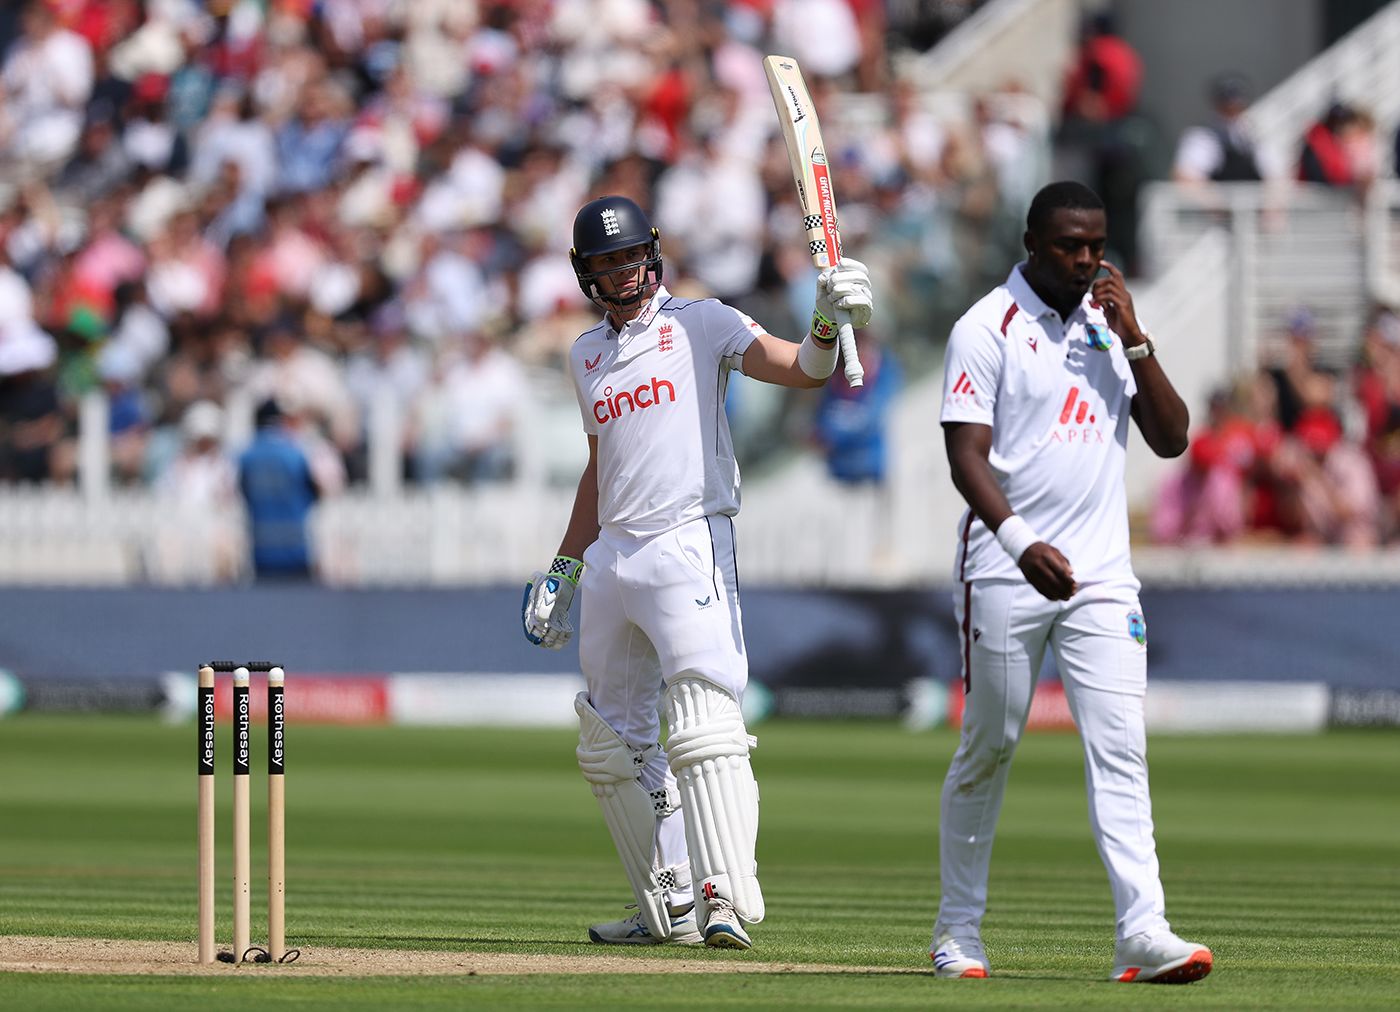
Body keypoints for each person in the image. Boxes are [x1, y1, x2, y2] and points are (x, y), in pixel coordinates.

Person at [521, 195, 873, 950]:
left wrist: (825, 319)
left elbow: (804, 370)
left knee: (705, 728)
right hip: (613, 555)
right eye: (608, 262)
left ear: (652, 252)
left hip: (687, 542)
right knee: (610, 744)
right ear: (586, 273)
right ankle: (667, 903)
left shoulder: (701, 322)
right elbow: (598, 471)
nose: (624, 271)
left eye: (632, 255)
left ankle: (723, 897)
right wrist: (564, 567)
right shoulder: (585, 355)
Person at [932, 181, 1211, 984]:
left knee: (1121, 750)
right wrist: (1021, 544)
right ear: (1032, 243)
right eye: (1068, 245)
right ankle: (958, 932)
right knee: (989, 747)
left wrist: (1137, 339)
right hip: (1005, 568)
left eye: (1095, 245)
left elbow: (1172, 438)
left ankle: (1143, 931)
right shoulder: (985, 326)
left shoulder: (1108, 324)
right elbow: (965, 457)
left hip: (1103, 579)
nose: (1085, 259)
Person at [238, 398, 320, 580]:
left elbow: (241, 494)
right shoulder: (297, 453)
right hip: (296, 550)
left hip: (260, 552)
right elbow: (315, 493)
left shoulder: (245, 456)